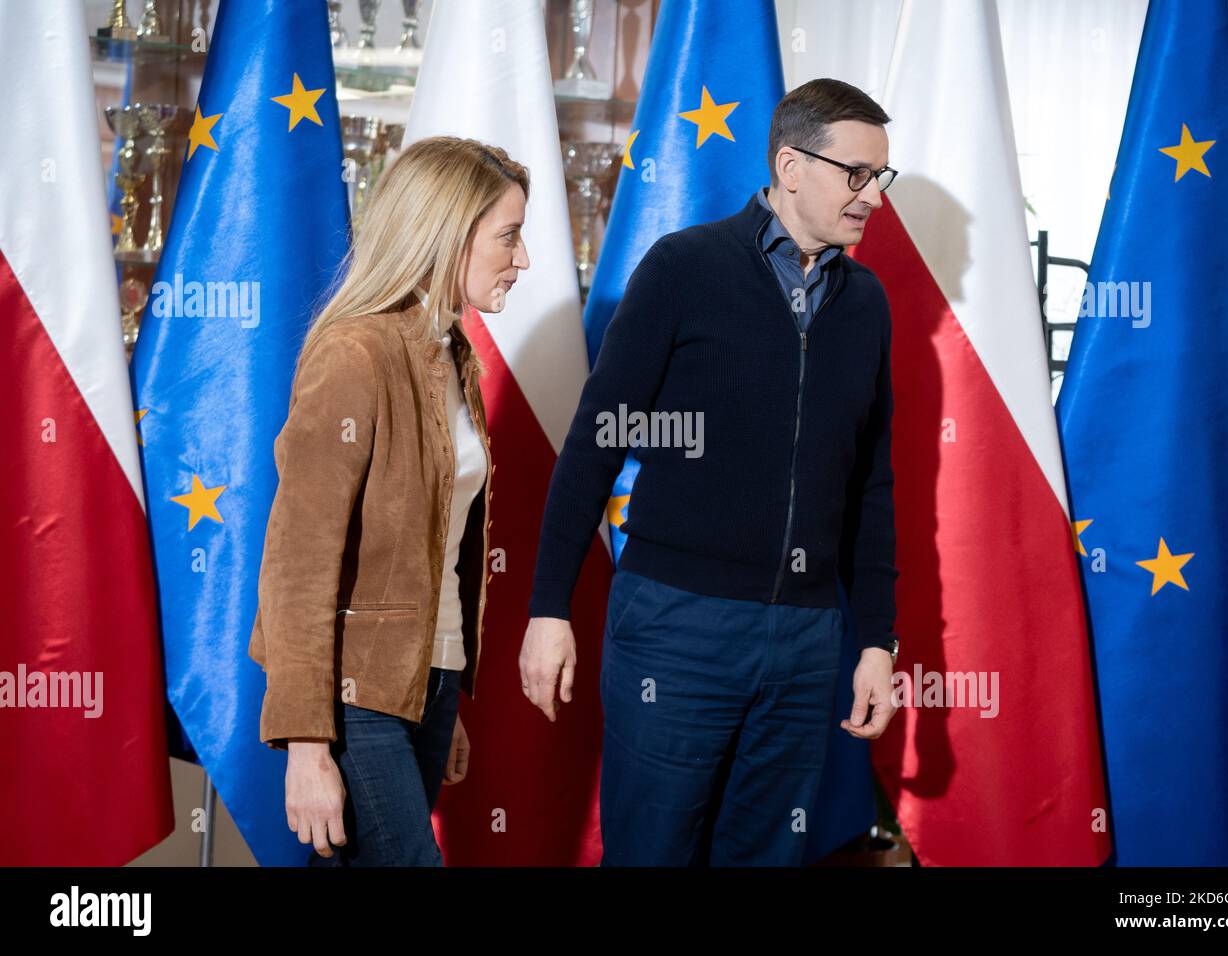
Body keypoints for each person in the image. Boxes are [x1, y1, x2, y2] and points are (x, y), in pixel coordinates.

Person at [520, 78, 901, 866]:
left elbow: (873, 484)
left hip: (806, 639)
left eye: (880, 177)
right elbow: (597, 439)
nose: (873, 196)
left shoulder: (867, 305)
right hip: (675, 627)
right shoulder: (684, 268)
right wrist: (549, 606)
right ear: (791, 167)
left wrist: (876, 642)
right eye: (856, 174)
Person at [247, 136, 530, 866]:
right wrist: (308, 747)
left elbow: (439, 553)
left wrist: (441, 688)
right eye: (508, 236)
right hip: (354, 698)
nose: (523, 258)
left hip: (424, 687)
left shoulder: (450, 354)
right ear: (447, 235)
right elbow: (299, 560)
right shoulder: (356, 352)